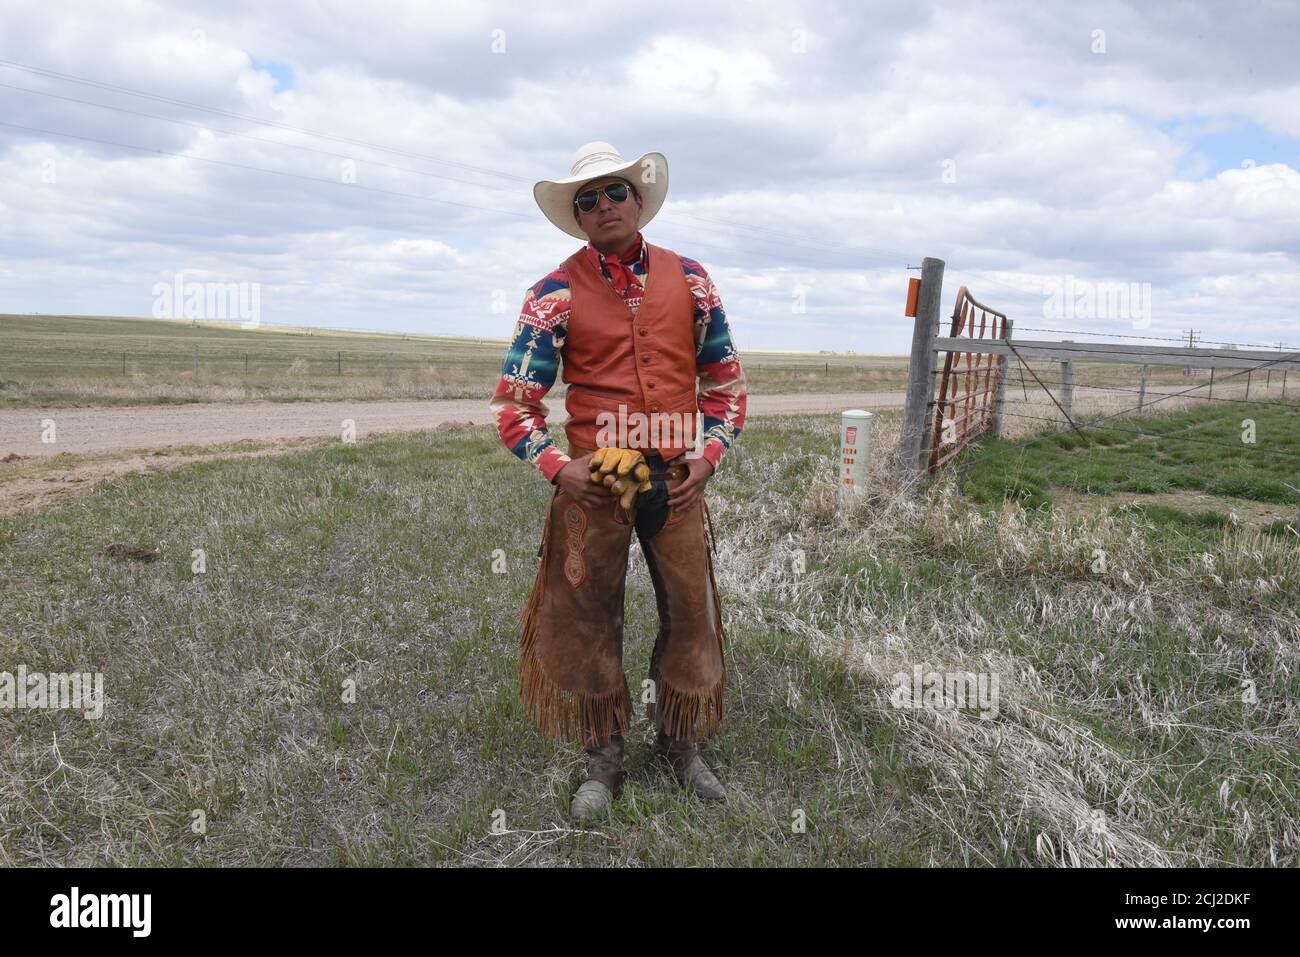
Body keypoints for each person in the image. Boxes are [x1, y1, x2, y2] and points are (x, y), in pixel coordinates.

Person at [489, 141, 747, 821]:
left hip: (676, 478)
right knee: (585, 614)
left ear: (638, 200)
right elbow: (515, 404)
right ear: (577, 215)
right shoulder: (552, 294)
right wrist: (558, 466)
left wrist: (709, 456)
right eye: (588, 199)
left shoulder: (691, 279)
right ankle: (602, 754)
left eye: (615, 193)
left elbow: (726, 382)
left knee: (693, 611)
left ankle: (680, 740)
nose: (604, 206)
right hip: (597, 481)